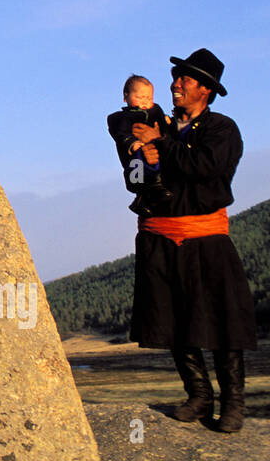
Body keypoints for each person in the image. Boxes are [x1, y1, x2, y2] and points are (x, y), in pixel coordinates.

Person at [128, 48, 256, 433]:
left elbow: (203, 168)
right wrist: (140, 156)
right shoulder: (160, 126)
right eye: (176, 78)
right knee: (173, 320)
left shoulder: (222, 130)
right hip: (160, 238)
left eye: (185, 79)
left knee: (221, 321)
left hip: (205, 239)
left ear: (206, 89)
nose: (175, 84)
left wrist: (160, 145)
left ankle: (233, 403)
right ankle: (199, 395)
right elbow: (133, 179)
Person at [106, 74, 174, 216]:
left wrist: (168, 122)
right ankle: (141, 200)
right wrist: (131, 143)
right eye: (140, 97)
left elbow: (162, 123)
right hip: (136, 155)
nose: (145, 101)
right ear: (126, 97)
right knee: (139, 177)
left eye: (149, 98)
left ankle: (154, 195)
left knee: (157, 172)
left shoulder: (156, 110)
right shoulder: (124, 117)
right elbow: (122, 134)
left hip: (156, 149)